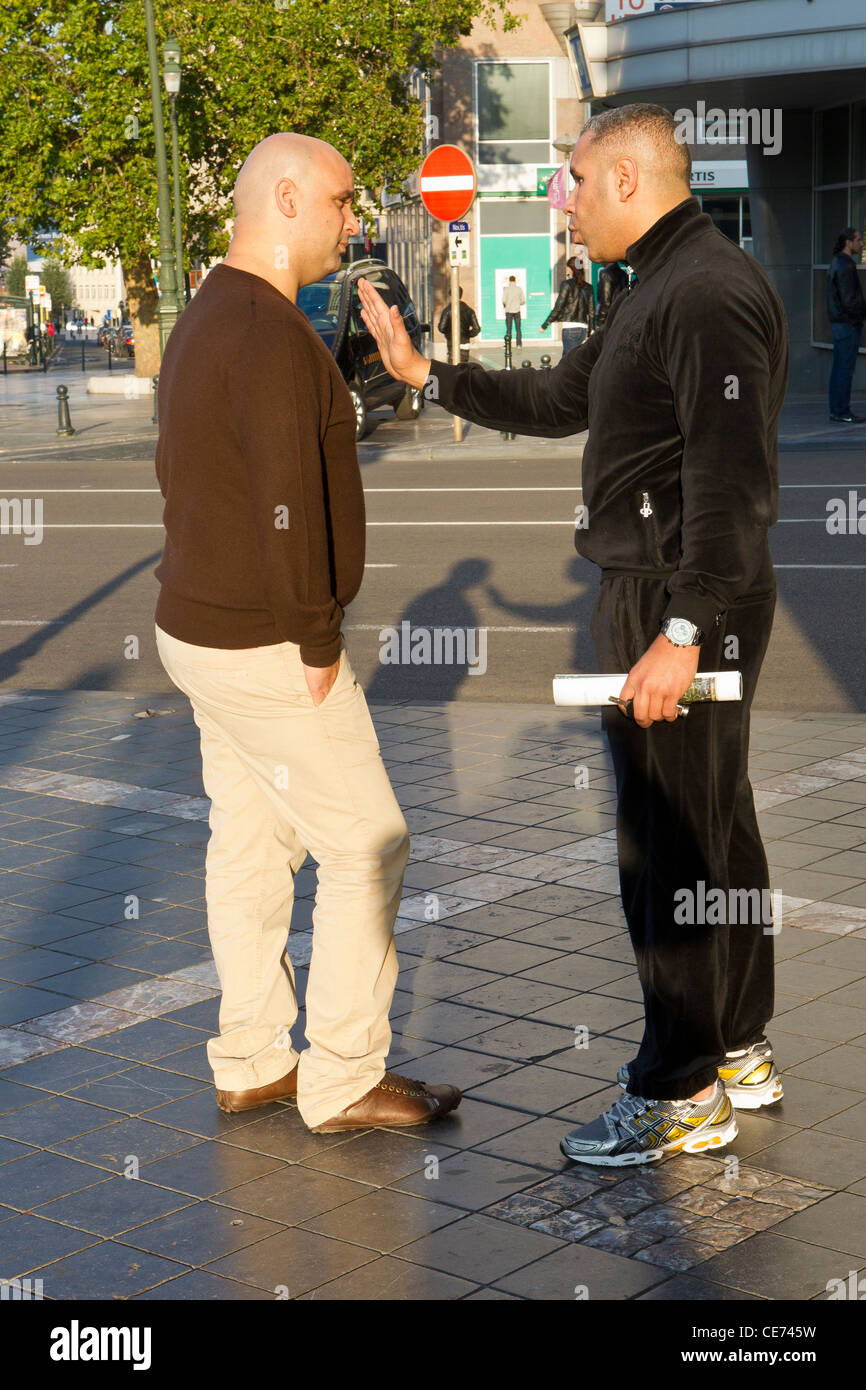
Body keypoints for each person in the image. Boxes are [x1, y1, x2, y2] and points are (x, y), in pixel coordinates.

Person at [358, 101, 788, 1168]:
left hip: (673, 598)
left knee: (668, 846)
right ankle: (732, 1043)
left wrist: (680, 630)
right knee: (710, 825)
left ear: (631, 179)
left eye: (576, 181)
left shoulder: (702, 294)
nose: (564, 200)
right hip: (669, 594)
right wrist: (428, 376)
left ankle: (679, 1087)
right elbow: (562, 398)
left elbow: (730, 486)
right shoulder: (657, 284)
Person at [153, 132, 460, 1136]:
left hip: (197, 631)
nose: (353, 218)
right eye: (338, 201)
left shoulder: (207, 313)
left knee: (248, 839)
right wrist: (319, 647)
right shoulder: (272, 335)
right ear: (284, 199)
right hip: (266, 644)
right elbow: (287, 506)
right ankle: (340, 1075)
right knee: (367, 841)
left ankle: (249, 1057)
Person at [827, 225, 865, 423]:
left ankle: (837, 410)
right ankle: (842, 411)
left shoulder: (838, 263)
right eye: (858, 240)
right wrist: (857, 320)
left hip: (841, 323)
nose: (861, 243)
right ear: (848, 243)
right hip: (847, 325)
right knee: (844, 369)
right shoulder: (845, 265)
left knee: (839, 368)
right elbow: (850, 300)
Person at [540, 256, 595, 354]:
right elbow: (591, 312)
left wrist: (545, 325)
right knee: (578, 359)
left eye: (567, 267)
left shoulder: (566, 284)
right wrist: (590, 331)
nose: (566, 269)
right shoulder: (589, 287)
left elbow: (558, 306)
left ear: (571, 269)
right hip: (583, 329)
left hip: (570, 328)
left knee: (567, 360)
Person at [437, 286, 481, 363]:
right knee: (464, 366)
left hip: (452, 342)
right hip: (465, 342)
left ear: (450, 295)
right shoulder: (469, 310)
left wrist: (449, 334)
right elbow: (477, 329)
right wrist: (467, 334)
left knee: (453, 367)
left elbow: (442, 328)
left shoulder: (447, 310)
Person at [594, 259, 629, 327]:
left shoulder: (606, 273)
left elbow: (606, 302)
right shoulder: (623, 274)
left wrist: (600, 322)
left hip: (609, 318)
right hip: (620, 315)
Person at [502, 274, 525, 346]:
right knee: (518, 328)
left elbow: (503, 300)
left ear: (509, 281)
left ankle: (508, 344)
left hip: (508, 311)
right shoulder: (519, 289)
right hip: (517, 310)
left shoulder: (506, 289)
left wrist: (506, 305)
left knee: (509, 329)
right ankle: (519, 344)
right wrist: (518, 303)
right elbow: (523, 301)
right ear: (515, 281)